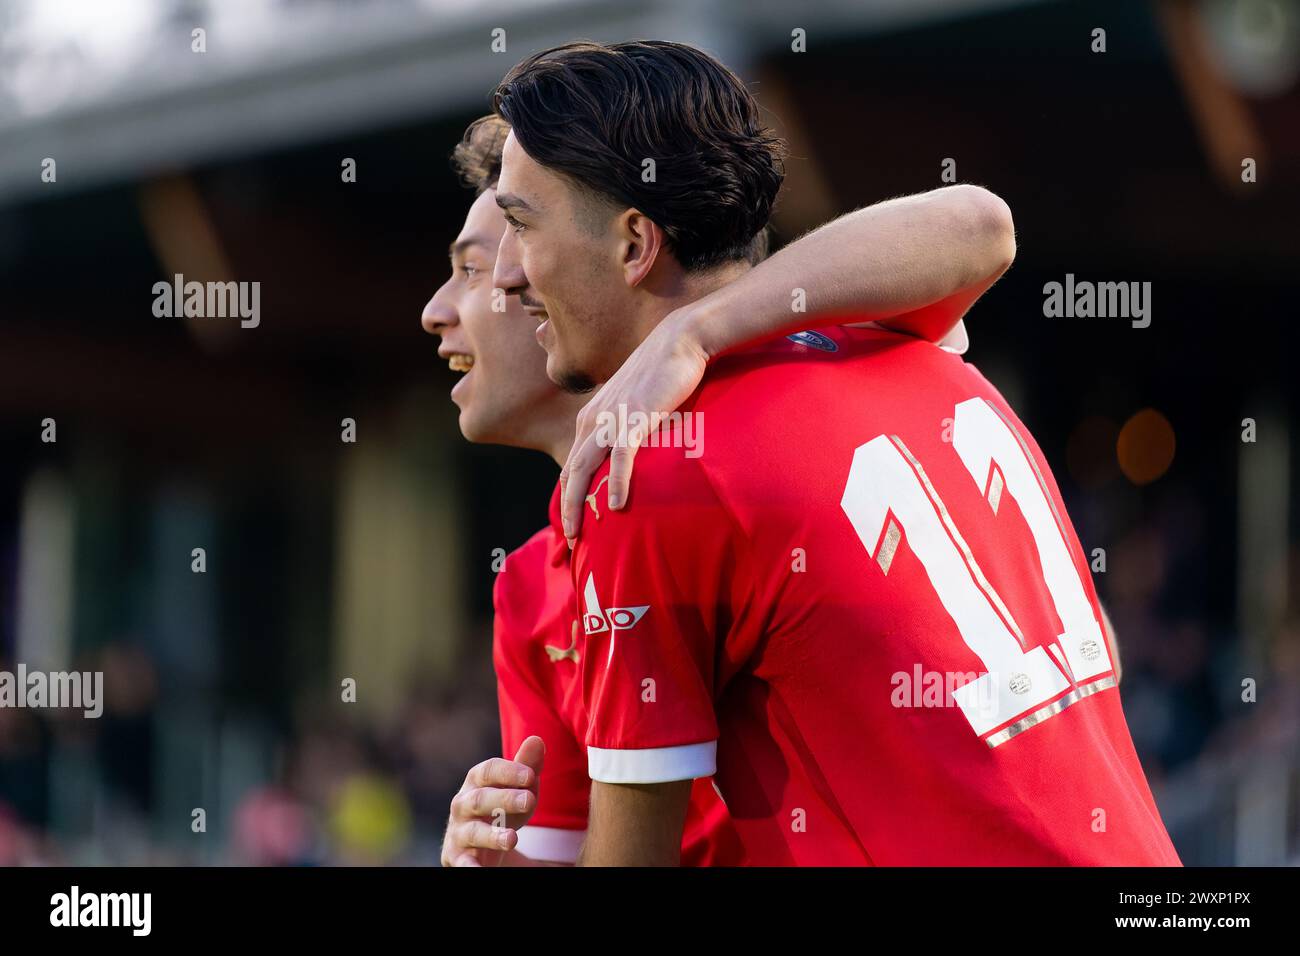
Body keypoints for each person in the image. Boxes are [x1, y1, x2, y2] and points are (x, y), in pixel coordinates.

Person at [488, 39, 1175, 865]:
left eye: (519, 227)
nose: (503, 274)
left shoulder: (651, 474)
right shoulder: (908, 344)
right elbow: (981, 223)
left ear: (635, 244)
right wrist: (692, 329)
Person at [428, 109, 988, 865]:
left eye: (480, 262)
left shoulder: (754, 439)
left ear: (621, 251)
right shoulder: (528, 588)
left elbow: (979, 224)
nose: (441, 309)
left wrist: (690, 331)